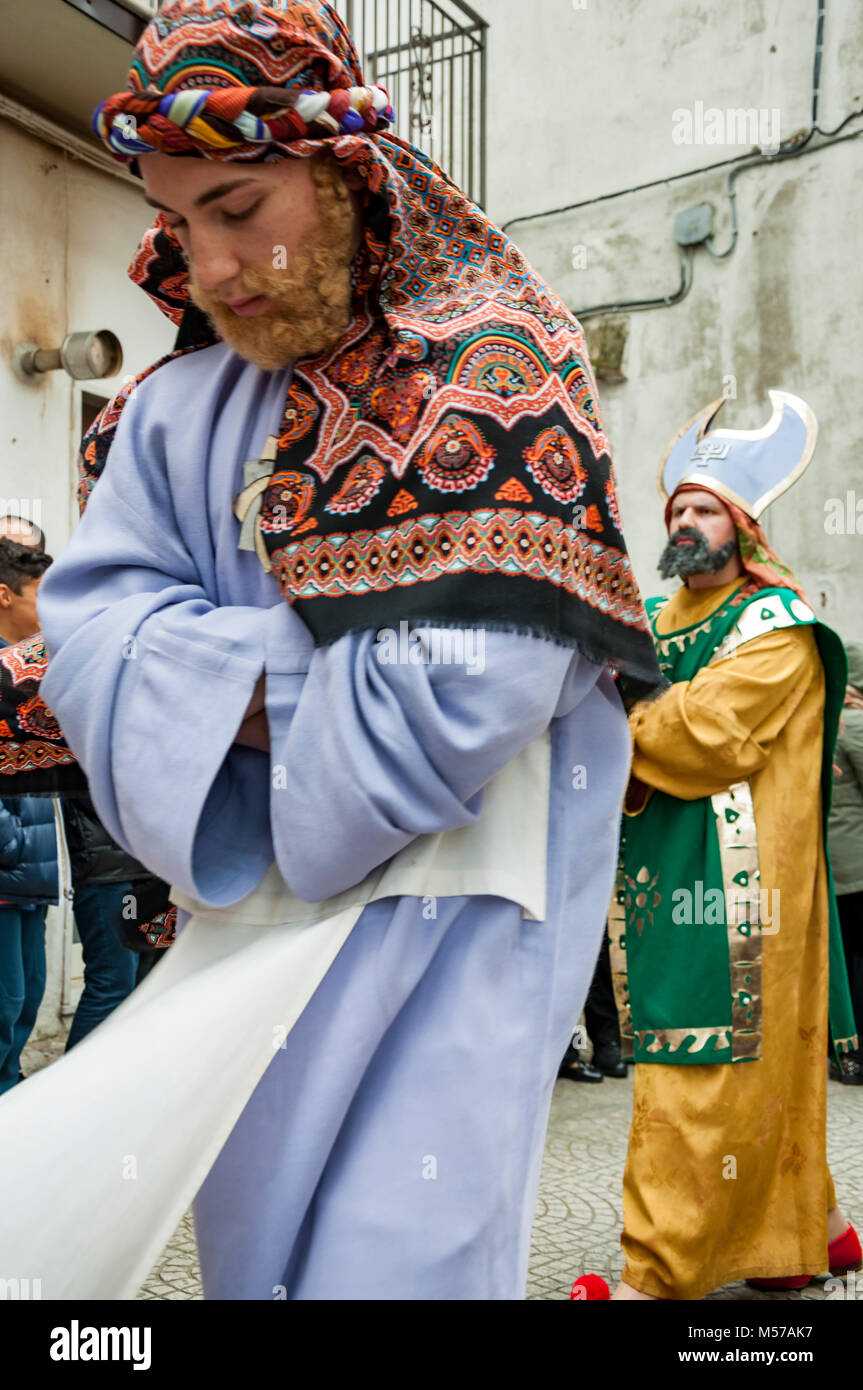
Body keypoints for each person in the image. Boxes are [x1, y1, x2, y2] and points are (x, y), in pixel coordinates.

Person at [21, 0, 663, 1299]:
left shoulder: (498, 366)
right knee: (255, 1267)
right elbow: (87, 646)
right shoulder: (170, 414)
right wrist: (324, 665)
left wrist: (203, 679)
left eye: (240, 203)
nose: (214, 263)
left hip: (458, 918)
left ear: (339, 165)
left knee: (399, 1263)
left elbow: (469, 684)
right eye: (182, 217)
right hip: (241, 929)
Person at [572, 390, 860, 1301]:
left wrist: (615, 707)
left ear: (741, 526)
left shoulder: (777, 629)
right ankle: (792, 1241)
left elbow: (707, 733)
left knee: (701, 1074)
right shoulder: (656, 620)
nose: (685, 524)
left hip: (741, 891)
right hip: (668, 875)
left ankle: (652, 1280)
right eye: (675, 513)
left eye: (703, 511)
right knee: (738, 1071)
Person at [0, 539, 58, 1094]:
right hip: (9, 868)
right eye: (43, 594)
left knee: (23, 1007)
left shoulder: (30, 671)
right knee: (5, 1008)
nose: (54, 607)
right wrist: (12, 842)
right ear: (4, 596)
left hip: (28, 879)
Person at [829, 638, 863, 1084]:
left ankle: (842, 1052)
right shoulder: (852, 722)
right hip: (856, 865)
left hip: (828, 865)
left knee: (839, 960)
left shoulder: (821, 718)